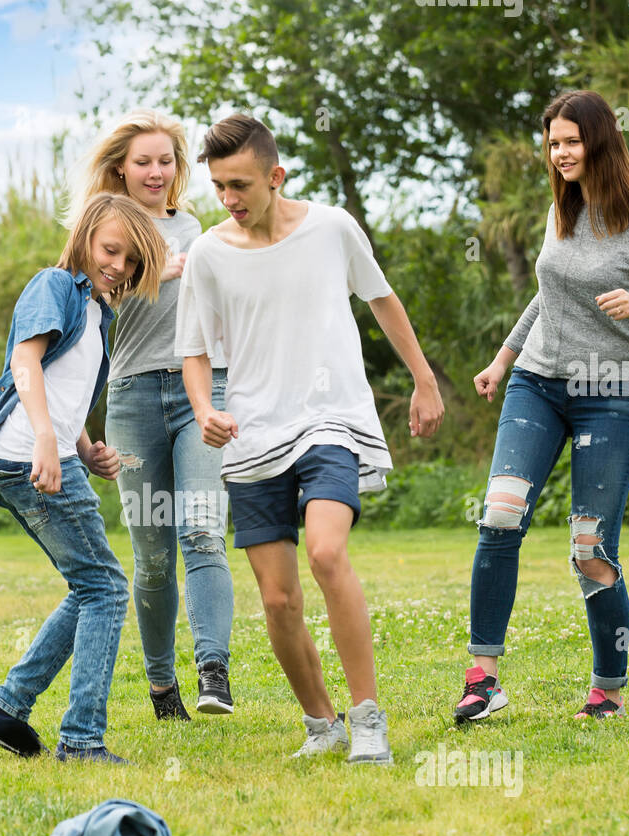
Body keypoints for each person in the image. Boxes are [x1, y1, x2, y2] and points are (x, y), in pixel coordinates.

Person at [175, 114, 445, 764]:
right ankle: (320, 721)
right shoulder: (209, 254)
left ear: (276, 175)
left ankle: (368, 716)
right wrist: (205, 407)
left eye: (240, 184)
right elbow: (192, 351)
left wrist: (424, 380)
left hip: (330, 418)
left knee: (326, 554)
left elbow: (382, 299)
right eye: (218, 187)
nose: (229, 199)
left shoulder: (331, 228)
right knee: (277, 598)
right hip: (251, 435)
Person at [456, 89, 629, 724]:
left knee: (589, 548)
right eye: (554, 143)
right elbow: (546, 295)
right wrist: (504, 358)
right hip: (536, 383)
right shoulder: (559, 211)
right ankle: (483, 678)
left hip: (608, 395)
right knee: (500, 518)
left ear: (602, 141)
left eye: (572, 141)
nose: (561, 153)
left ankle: (608, 689)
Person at [0, 193, 168, 764]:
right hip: (28, 452)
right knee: (107, 588)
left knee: (92, 584)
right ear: (87, 236)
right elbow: (25, 362)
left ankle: (5, 710)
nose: (117, 265)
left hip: (43, 452)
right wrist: (46, 438)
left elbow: (63, 387)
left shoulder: (98, 312)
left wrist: (86, 447)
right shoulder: (53, 285)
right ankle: (81, 738)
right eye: (110, 249)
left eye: (131, 261)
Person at [70, 109, 234, 722]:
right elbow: (77, 302)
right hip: (134, 399)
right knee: (154, 553)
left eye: (166, 160)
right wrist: (144, 274)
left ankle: (213, 671)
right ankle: (163, 687)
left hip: (201, 392)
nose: (157, 172)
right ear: (121, 167)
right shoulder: (101, 231)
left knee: (201, 528)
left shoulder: (195, 227)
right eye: (144, 161)